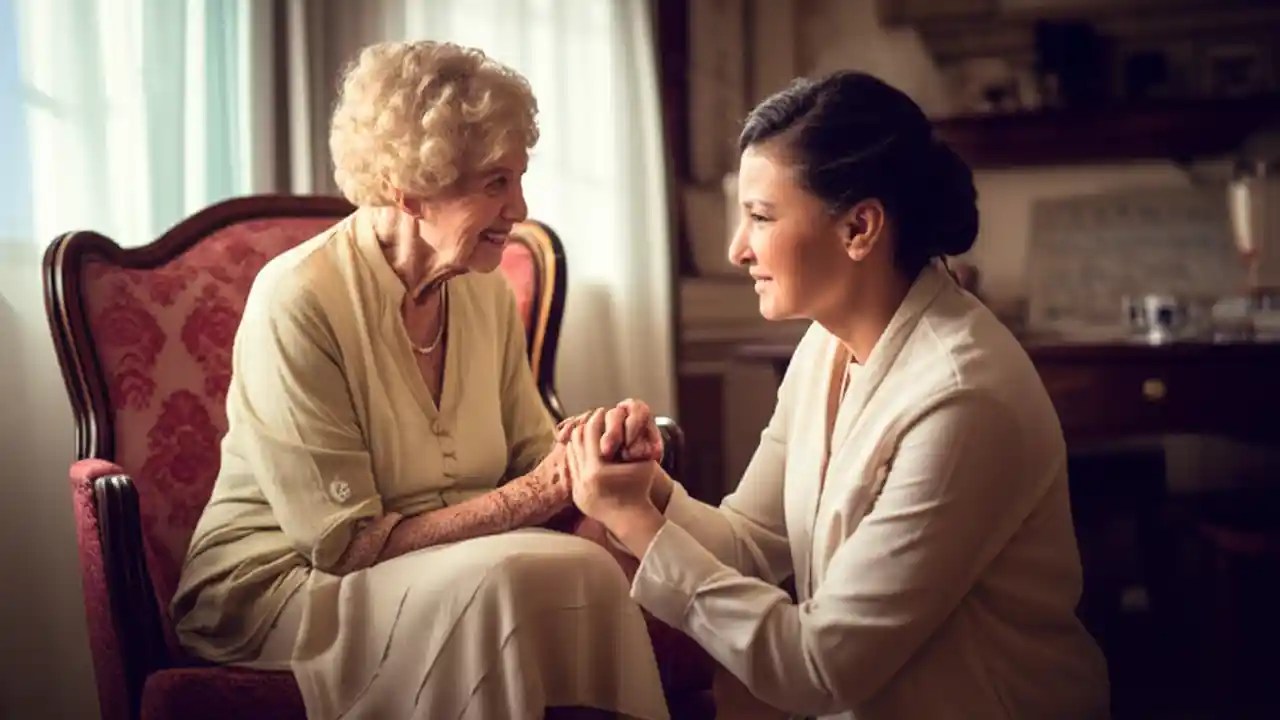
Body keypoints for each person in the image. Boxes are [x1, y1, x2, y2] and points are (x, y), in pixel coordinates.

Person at [559, 71, 1111, 719]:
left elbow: (819, 667)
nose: (737, 250)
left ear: (860, 228)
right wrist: (647, 489)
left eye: (760, 217)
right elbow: (749, 543)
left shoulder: (962, 399)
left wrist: (633, 524)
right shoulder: (827, 346)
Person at [170, 40, 682, 720]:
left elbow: (533, 459)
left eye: (518, 179)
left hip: (452, 562)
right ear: (410, 189)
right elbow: (344, 546)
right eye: (495, 183)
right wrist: (539, 490)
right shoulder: (298, 298)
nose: (519, 207)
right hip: (287, 585)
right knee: (500, 585)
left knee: (583, 570)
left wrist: (596, 448)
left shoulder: (484, 291)